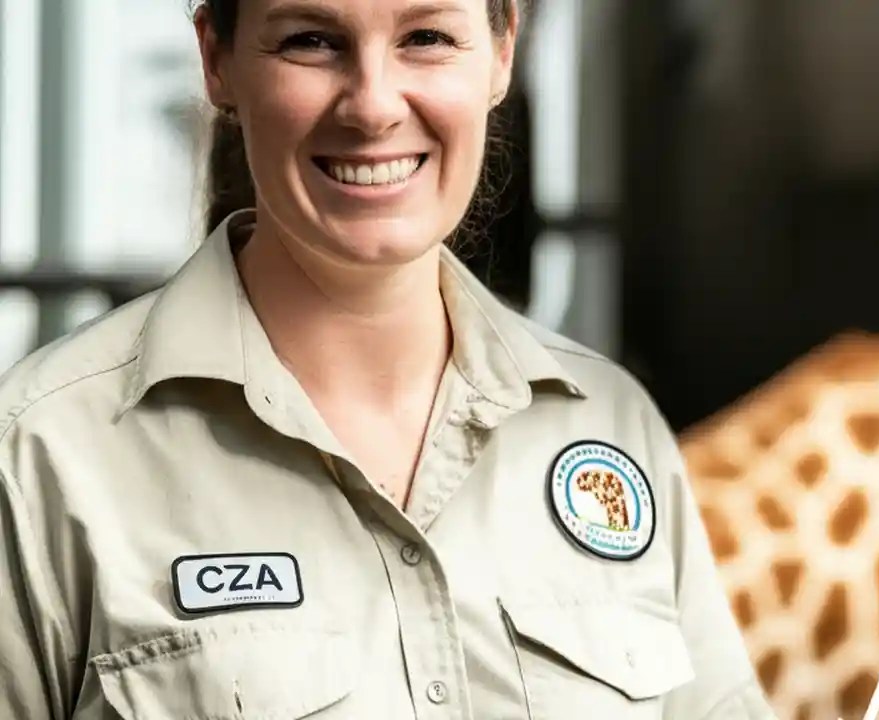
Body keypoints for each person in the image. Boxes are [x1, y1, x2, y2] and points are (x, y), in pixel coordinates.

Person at [0, 1, 777, 718]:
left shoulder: (611, 425)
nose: (372, 105)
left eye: (427, 38)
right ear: (217, 59)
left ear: (503, 49)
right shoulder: (43, 453)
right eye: (312, 41)